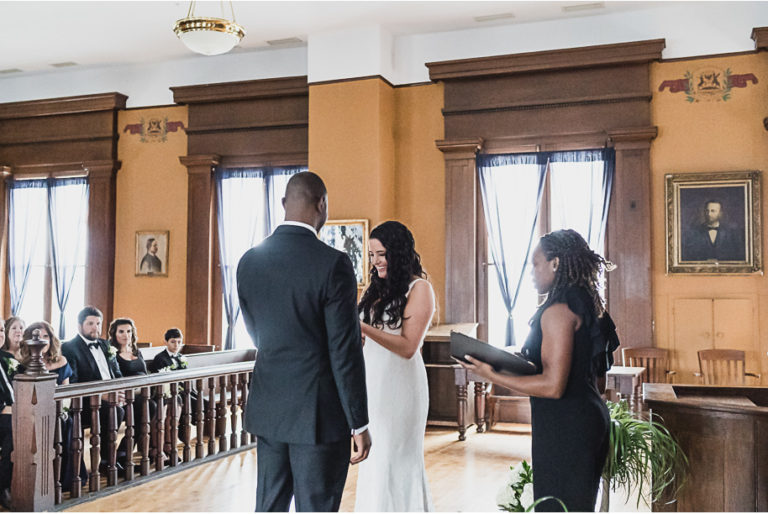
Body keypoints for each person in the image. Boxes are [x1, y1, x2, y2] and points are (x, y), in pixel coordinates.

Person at [236, 171, 371, 512]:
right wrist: (359, 422)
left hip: (269, 406)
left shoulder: (249, 262)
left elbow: (257, 333)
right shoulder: (333, 264)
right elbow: (344, 350)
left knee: (269, 506)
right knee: (317, 507)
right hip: (318, 413)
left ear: (284, 204)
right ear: (321, 204)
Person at [459, 229, 611, 512]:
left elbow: (554, 386)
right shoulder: (587, 304)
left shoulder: (558, 311)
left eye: (535, 263)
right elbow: (595, 380)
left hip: (566, 427)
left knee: (556, 506)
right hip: (585, 418)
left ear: (556, 263)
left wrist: (491, 374)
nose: (531, 272)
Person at [355, 220, 435, 512]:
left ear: (398, 253)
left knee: (395, 458)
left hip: (401, 388)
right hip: (371, 384)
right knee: (375, 461)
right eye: (372, 254)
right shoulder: (374, 290)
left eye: (381, 254)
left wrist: (361, 327)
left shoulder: (420, 288)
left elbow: (407, 346)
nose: (375, 261)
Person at [18, 321, 87, 492]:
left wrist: (61, 410)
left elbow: (66, 389)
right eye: (38, 336)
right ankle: (43, 479)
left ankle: (66, 478)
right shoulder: (24, 364)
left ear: (51, 339)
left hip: (58, 409)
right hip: (34, 412)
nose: (42, 340)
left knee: (66, 422)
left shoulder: (61, 361)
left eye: (46, 336)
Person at [61, 306, 127, 473]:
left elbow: (117, 373)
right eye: (90, 323)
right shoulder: (70, 348)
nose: (95, 327)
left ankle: (124, 455)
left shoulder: (106, 345)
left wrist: (121, 392)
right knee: (115, 412)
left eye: (98, 323)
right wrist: (102, 395)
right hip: (85, 402)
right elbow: (74, 382)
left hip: (112, 396)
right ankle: (106, 460)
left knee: (145, 405)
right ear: (79, 325)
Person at [0, 322, 15, 509]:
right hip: (4, 413)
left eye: (1, 330)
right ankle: (3, 486)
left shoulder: (5, 357)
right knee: (15, 428)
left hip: (12, 411)